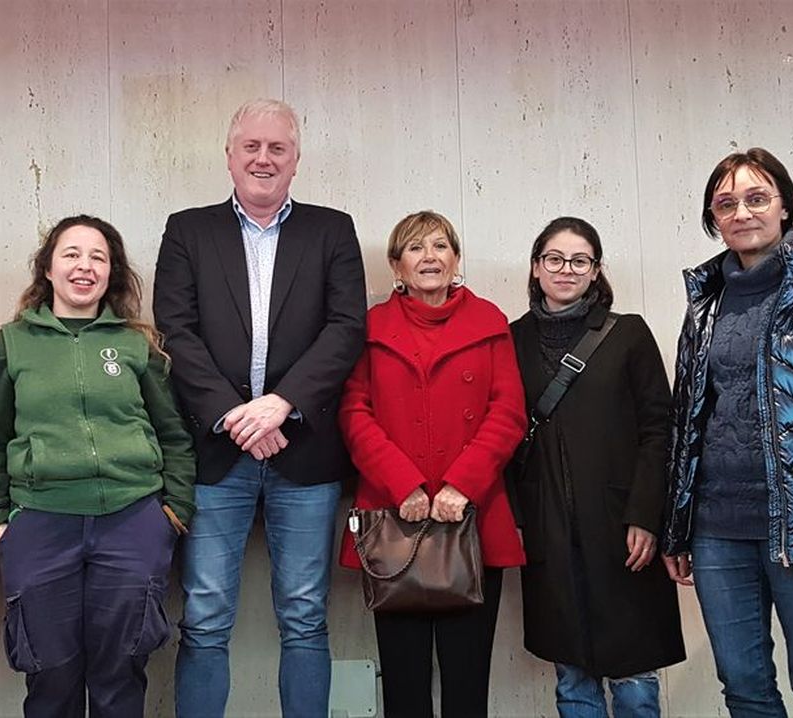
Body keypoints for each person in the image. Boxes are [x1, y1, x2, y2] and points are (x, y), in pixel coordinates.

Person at [153, 98, 366, 717]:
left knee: (304, 616)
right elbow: (177, 328)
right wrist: (236, 414)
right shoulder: (188, 230)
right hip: (218, 451)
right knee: (205, 614)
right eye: (252, 147)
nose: (263, 159)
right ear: (230, 156)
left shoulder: (332, 230)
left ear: (296, 159)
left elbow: (347, 327)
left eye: (277, 148)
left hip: (304, 451)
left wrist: (282, 404)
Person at [663, 147, 793, 716]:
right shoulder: (706, 302)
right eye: (726, 203)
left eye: (757, 198)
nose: (742, 212)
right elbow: (688, 420)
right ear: (714, 218)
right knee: (744, 686)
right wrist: (677, 528)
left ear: (785, 206)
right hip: (717, 528)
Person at [0, 214, 195, 718]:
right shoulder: (8, 346)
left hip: (132, 520)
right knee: (50, 676)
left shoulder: (138, 344)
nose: (84, 266)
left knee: (121, 673)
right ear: (47, 269)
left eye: (98, 257)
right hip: (39, 523)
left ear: (111, 272)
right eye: (71, 254)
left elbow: (175, 435)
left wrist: (171, 513)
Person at [338, 210, 525, 718]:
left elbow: (508, 413)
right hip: (394, 522)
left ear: (456, 259)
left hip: (472, 516)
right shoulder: (369, 328)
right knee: (403, 684)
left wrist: (461, 485)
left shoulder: (489, 324)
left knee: (468, 683)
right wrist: (405, 485)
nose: (430, 257)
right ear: (396, 267)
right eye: (416, 248)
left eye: (440, 246)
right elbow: (354, 413)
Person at [509, 217, 685, 717]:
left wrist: (647, 515)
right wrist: (519, 520)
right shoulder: (511, 339)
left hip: (620, 523)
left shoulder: (626, 334)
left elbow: (659, 427)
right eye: (555, 259)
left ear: (596, 271)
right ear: (536, 267)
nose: (566, 270)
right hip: (548, 526)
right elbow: (502, 432)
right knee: (571, 671)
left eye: (580, 261)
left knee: (631, 667)